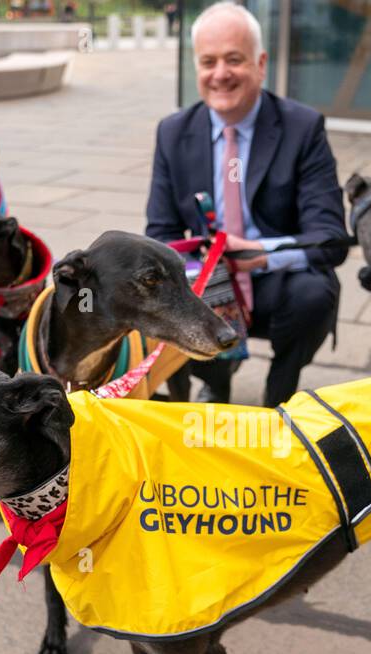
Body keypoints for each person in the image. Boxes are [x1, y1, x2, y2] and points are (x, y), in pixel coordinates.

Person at [146, 1, 348, 406]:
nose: (220, 74)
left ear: (261, 63)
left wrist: (261, 254)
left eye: (234, 60)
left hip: (277, 280)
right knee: (169, 296)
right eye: (208, 62)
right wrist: (198, 269)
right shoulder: (173, 132)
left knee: (315, 294)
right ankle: (216, 381)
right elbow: (160, 234)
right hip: (209, 281)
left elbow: (330, 239)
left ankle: (281, 391)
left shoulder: (303, 127)